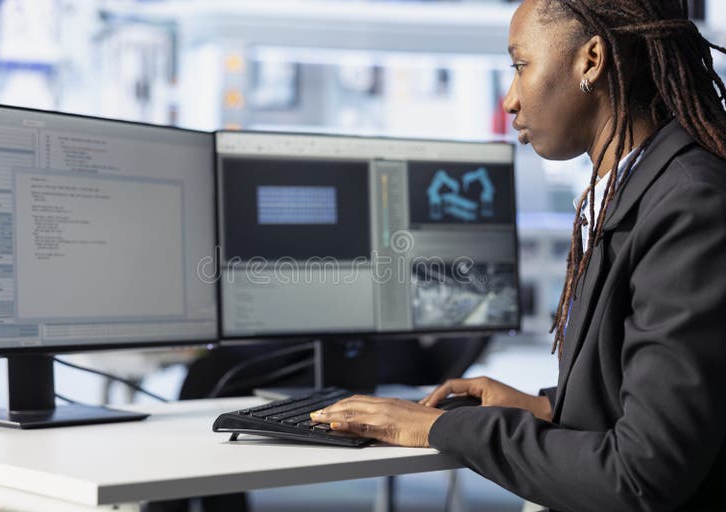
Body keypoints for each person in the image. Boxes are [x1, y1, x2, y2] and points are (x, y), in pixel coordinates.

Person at [310, 1, 726, 510]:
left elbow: (642, 474)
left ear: (591, 61)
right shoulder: (639, 189)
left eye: (520, 65)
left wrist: (445, 428)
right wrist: (545, 407)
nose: (509, 99)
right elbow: (646, 403)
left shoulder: (689, 204)